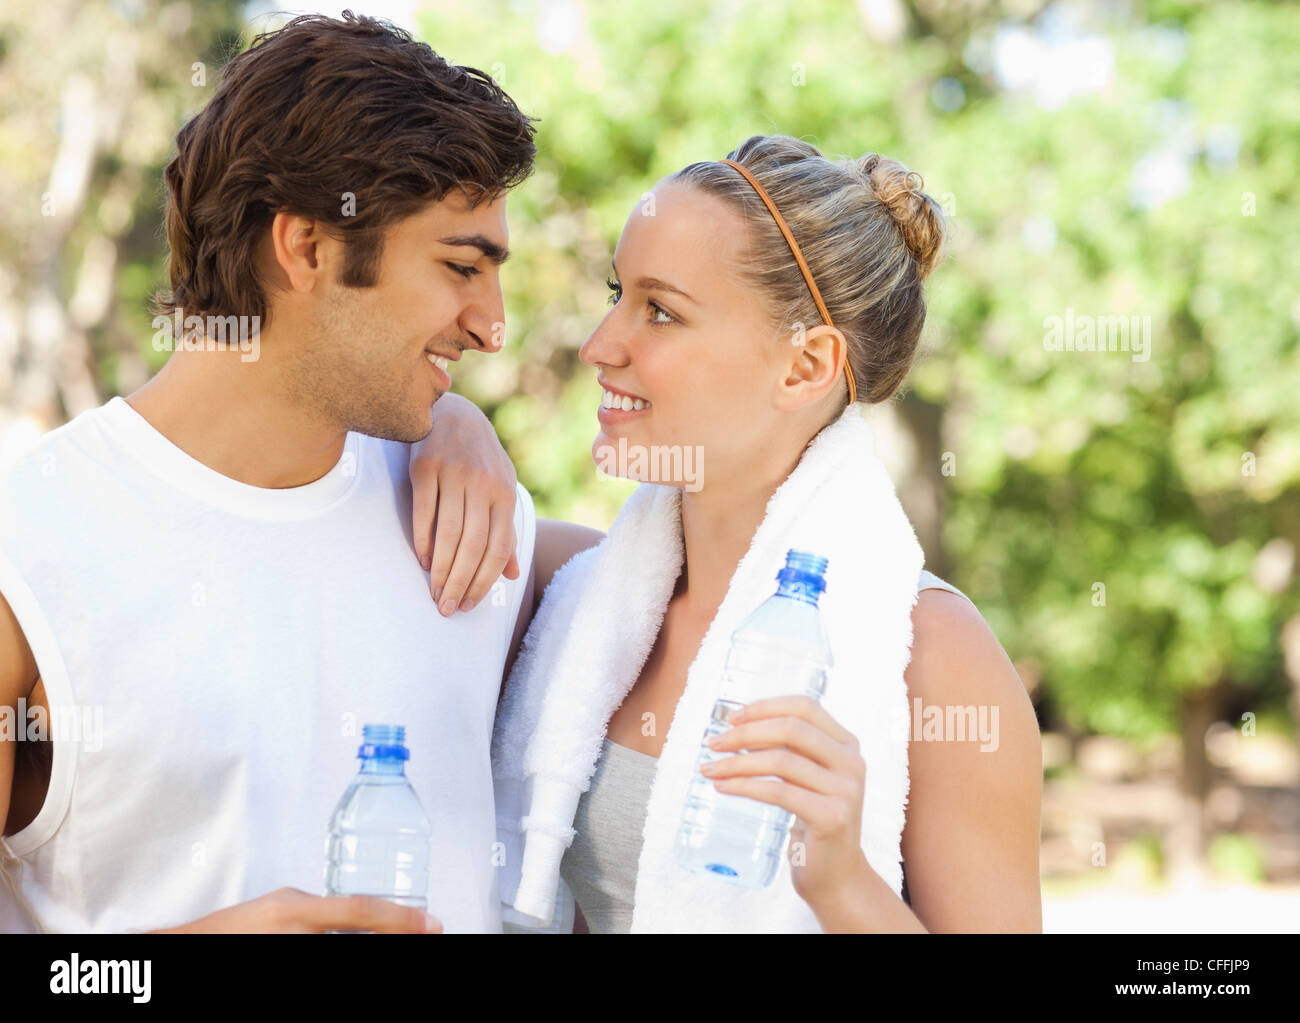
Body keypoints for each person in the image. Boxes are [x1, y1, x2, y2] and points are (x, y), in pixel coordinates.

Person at [0, 11, 592, 935]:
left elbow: (704, 590)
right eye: (460, 267)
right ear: (308, 247)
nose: (492, 323)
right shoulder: (28, 556)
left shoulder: (467, 520)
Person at [488, 135, 1043, 933]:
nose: (601, 346)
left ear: (804, 366)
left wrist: (844, 881)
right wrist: (456, 431)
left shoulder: (937, 658)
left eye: (661, 310)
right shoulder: (568, 588)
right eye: (618, 293)